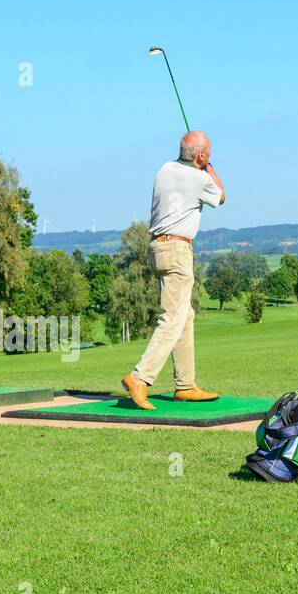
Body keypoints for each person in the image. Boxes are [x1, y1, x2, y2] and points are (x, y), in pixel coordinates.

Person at [120, 131, 225, 409]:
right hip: (178, 250)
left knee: (184, 316)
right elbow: (221, 197)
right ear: (201, 156)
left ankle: (186, 385)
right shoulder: (202, 177)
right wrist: (210, 169)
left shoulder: (165, 169)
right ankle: (139, 377)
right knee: (172, 318)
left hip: (157, 249)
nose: (209, 158)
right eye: (208, 154)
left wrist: (201, 164)